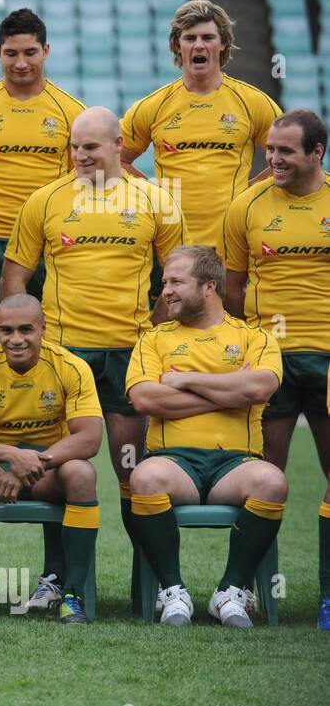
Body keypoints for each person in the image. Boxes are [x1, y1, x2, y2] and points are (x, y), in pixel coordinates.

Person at [2, 106, 185, 609]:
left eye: (91, 146)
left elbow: (176, 282)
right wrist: (25, 339)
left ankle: (147, 583)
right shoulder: (44, 201)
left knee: (131, 471)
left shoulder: (155, 201)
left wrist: (153, 331)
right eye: (74, 147)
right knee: (61, 472)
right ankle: (57, 579)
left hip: (128, 357)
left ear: (119, 145)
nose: (80, 156)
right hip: (63, 357)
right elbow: (15, 277)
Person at [126, 245, 286, 629]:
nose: (166, 291)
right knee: (144, 478)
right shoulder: (153, 338)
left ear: (210, 286)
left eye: (177, 282)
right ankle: (172, 591)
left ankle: (229, 592)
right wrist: (229, 393)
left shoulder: (255, 337)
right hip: (174, 460)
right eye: (164, 282)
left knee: (272, 482)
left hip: (235, 463)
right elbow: (145, 397)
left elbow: (261, 388)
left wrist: (186, 381)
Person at [221, 108, 330, 629]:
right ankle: (242, 591)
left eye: (286, 151)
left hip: (329, 359)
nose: (274, 159)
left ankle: (328, 598)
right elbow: (233, 289)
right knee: (261, 479)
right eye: (269, 149)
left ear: (317, 152)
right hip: (270, 362)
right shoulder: (245, 207)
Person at [0, 294, 103, 624]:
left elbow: (89, 438)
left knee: (82, 474)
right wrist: (11, 457)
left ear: (43, 328)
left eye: (25, 329)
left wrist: (30, 465)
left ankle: (71, 595)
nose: (15, 339)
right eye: (6, 330)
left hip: (49, 469)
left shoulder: (71, 367)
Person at [0, 8, 85, 344]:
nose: (21, 63)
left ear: (46, 51)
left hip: (48, 241)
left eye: (30, 53)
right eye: (11, 53)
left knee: (51, 328)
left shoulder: (71, 112)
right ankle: (3, 395)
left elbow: (80, 184)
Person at [121, 0, 281, 252]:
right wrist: (152, 193)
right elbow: (115, 160)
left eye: (208, 37)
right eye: (190, 38)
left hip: (233, 242)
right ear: (176, 45)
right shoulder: (152, 106)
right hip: (171, 245)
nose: (199, 45)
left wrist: (249, 194)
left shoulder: (254, 103)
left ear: (223, 43)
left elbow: (292, 156)